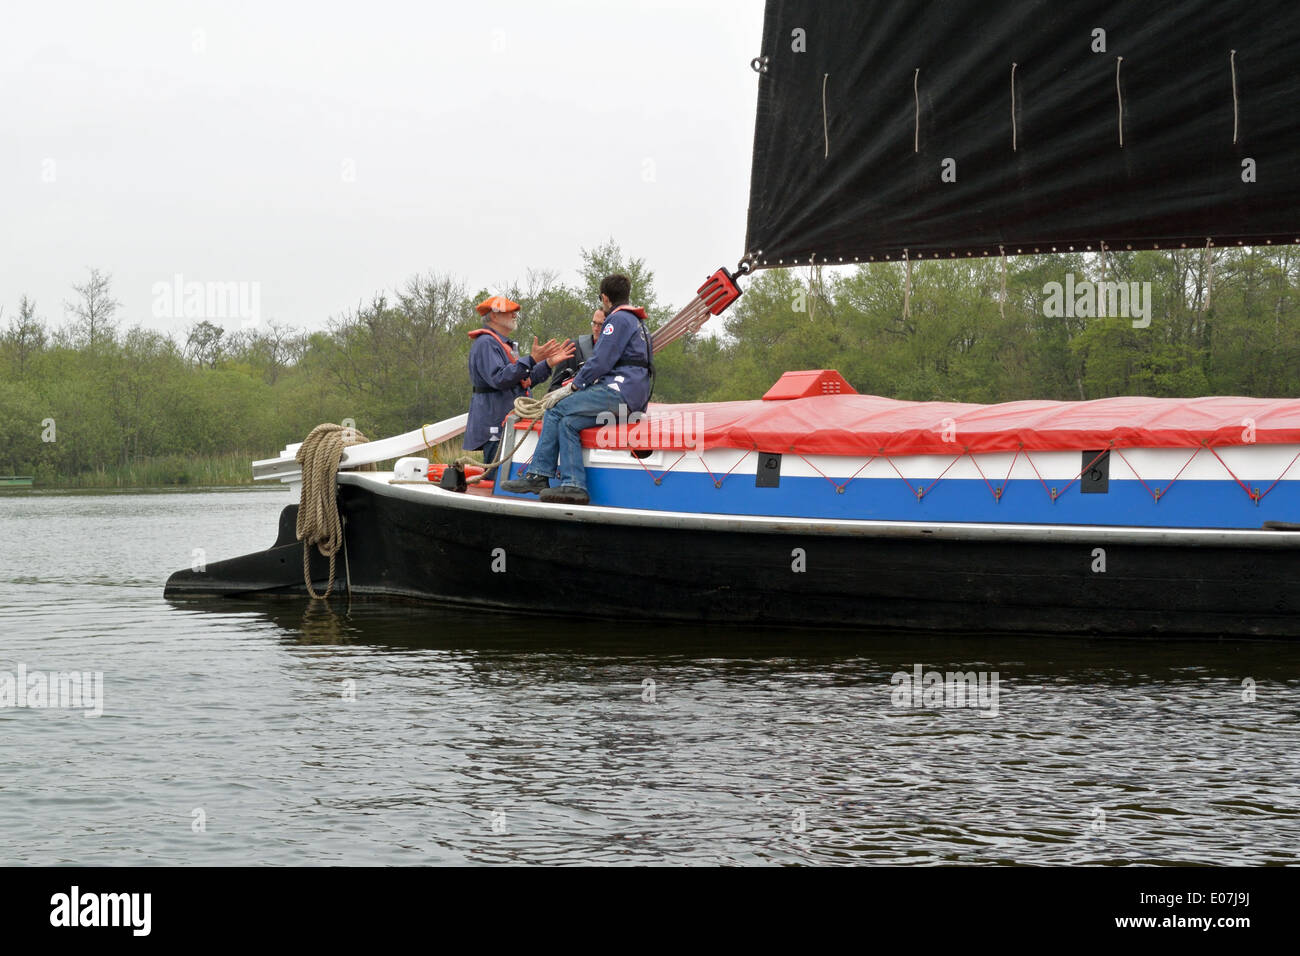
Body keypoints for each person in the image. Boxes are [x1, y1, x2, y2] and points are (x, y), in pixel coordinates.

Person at [500, 274, 653, 505]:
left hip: (618, 392)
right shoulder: (638, 322)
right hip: (634, 396)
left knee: (556, 408)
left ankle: (538, 475)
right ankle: (574, 485)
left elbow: (600, 361)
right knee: (568, 422)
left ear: (605, 297)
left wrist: (572, 386)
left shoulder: (618, 320)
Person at [465, 295, 574, 472]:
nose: (515, 315)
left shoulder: (502, 344)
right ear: (494, 316)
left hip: (506, 424)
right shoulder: (486, 343)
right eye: (510, 312)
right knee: (496, 476)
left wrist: (547, 363)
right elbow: (499, 379)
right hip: (496, 425)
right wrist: (531, 359)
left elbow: (523, 380)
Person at [544, 308, 605, 390]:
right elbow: (554, 388)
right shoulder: (573, 347)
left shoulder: (618, 353)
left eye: (600, 325)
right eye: (594, 323)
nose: (596, 328)